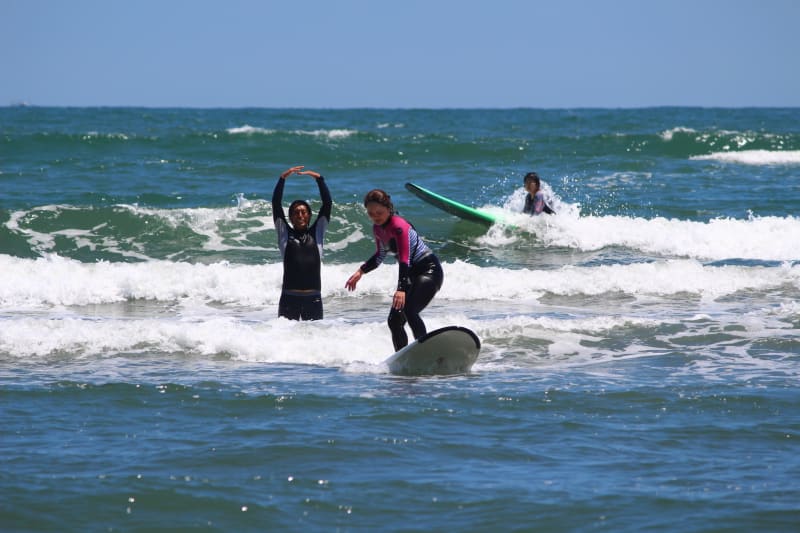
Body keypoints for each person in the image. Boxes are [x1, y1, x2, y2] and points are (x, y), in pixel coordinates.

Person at [345, 189, 444, 351]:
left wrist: (401, 289)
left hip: (429, 270)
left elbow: (405, 258)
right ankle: (402, 358)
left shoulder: (398, 226)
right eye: (371, 214)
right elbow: (379, 256)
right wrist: (360, 272)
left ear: (388, 208)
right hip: (412, 275)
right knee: (394, 320)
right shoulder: (378, 229)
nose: (375, 217)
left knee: (410, 310)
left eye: (379, 212)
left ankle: (426, 350)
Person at [272, 165, 332, 320]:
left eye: (303, 212)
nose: (300, 215)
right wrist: (282, 179)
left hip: (314, 299)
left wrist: (319, 179)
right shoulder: (284, 234)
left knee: (315, 339)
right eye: (296, 213)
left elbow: (327, 204)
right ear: (290, 217)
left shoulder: (317, 232)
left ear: (309, 216)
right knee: (285, 339)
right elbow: (276, 205)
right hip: (288, 298)